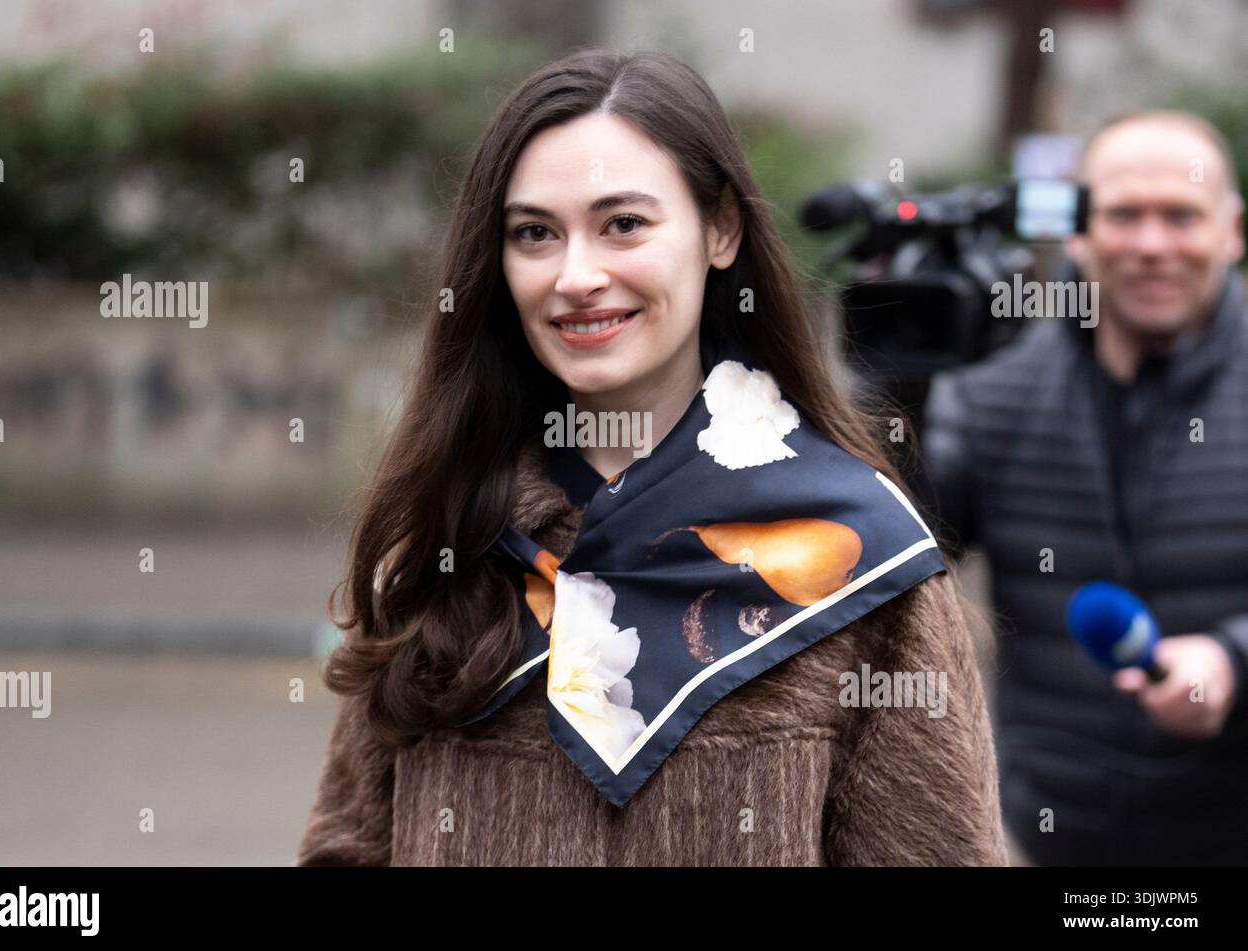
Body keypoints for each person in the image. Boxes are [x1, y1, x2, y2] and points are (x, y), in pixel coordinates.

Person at [296, 48, 1007, 866]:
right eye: (534, 233)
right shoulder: (453, 534)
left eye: (623, 224)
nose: (575, 275)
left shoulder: (864, 560)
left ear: (721, 228)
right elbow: (347, 852)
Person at [922, 110, 1248, 866]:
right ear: (1076, 228)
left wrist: (1234, 659)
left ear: (1233, 231)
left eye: (1182, 216)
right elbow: (896, 552)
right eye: (1123, 214)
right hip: (1049, 841)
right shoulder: (994, 390)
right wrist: (903, 390)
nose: (1151, 244)